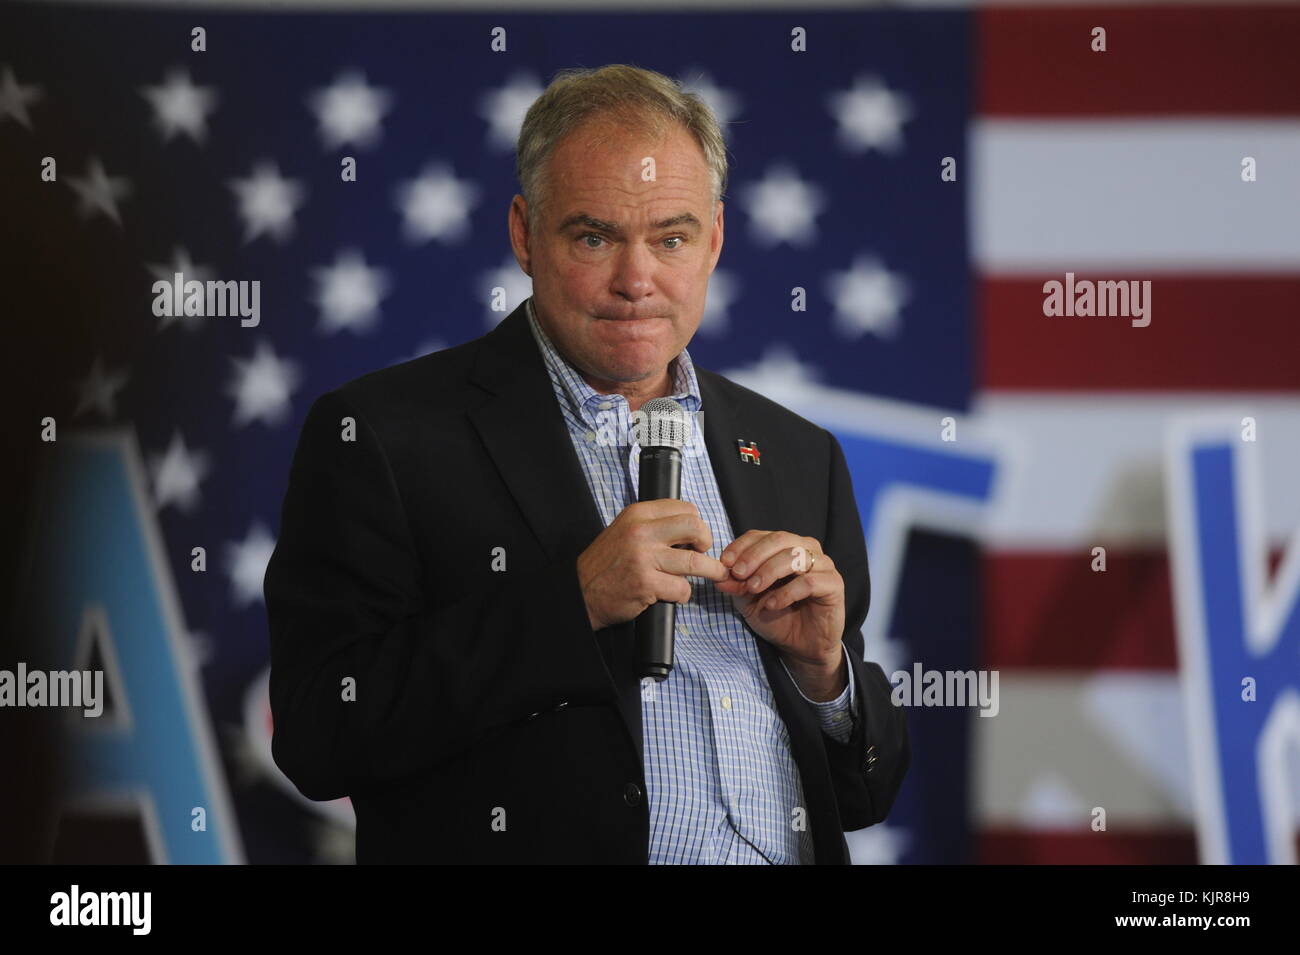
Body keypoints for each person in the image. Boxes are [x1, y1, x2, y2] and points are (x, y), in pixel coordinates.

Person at [264, 64, 909, 864]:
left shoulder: (799, 454)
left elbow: (863, 792)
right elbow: (320, 732)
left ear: (713, 240)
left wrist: (824, 676)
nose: (637, 281)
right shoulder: (384, 436)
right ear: (524, 234)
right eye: (594, 236)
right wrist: (571, 603)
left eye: (669, 238)